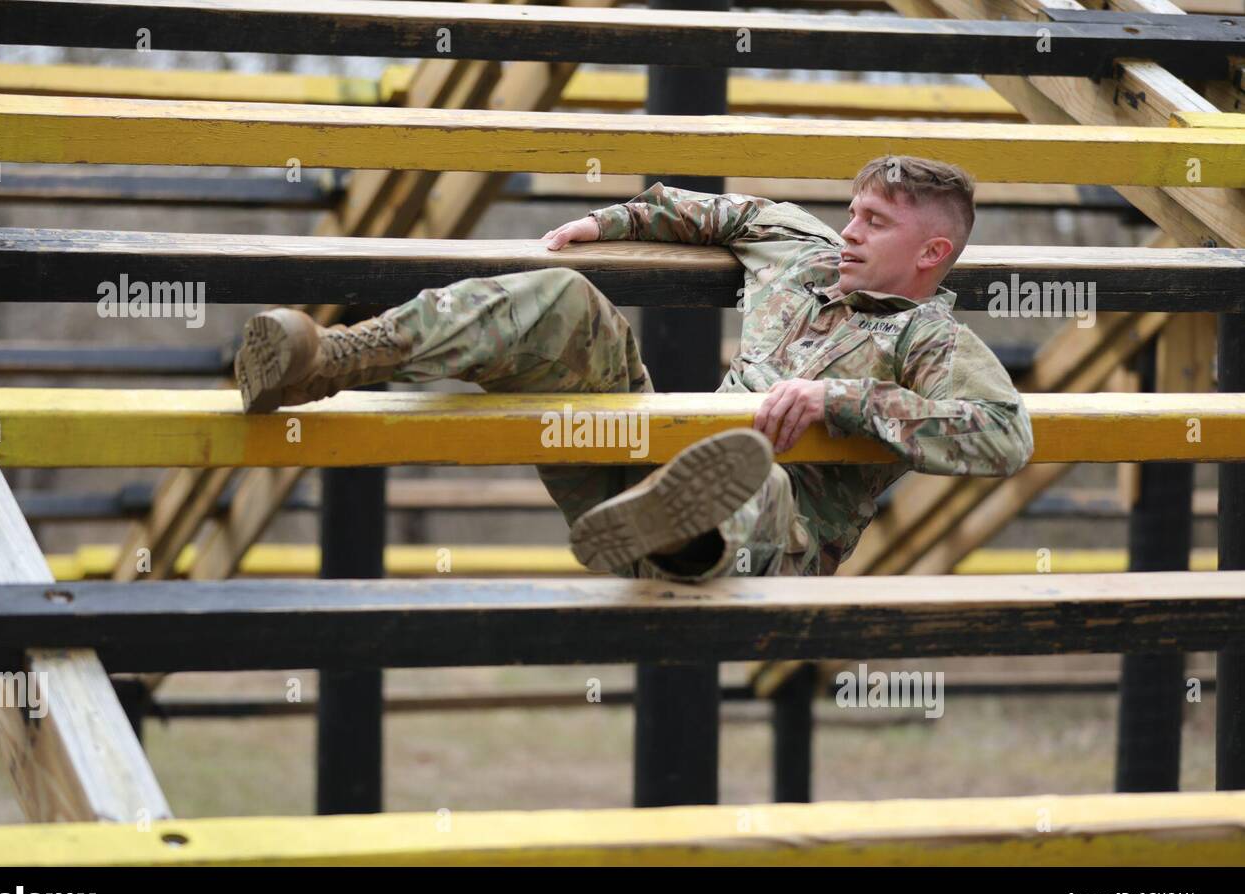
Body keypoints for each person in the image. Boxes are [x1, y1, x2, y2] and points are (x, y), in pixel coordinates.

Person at [234, 155, 1033, 581]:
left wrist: (840, 399)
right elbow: (717, 210)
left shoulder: (929, 339)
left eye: (876, 223)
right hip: (633, 470)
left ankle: (677, 531)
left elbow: (1004, 436)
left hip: (765, 549)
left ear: (933, 253)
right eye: (853, 210)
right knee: (565, 301)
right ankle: (329, 360)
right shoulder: (800, 251)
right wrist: (608, 220)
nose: (850, 230)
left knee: (754, 465)